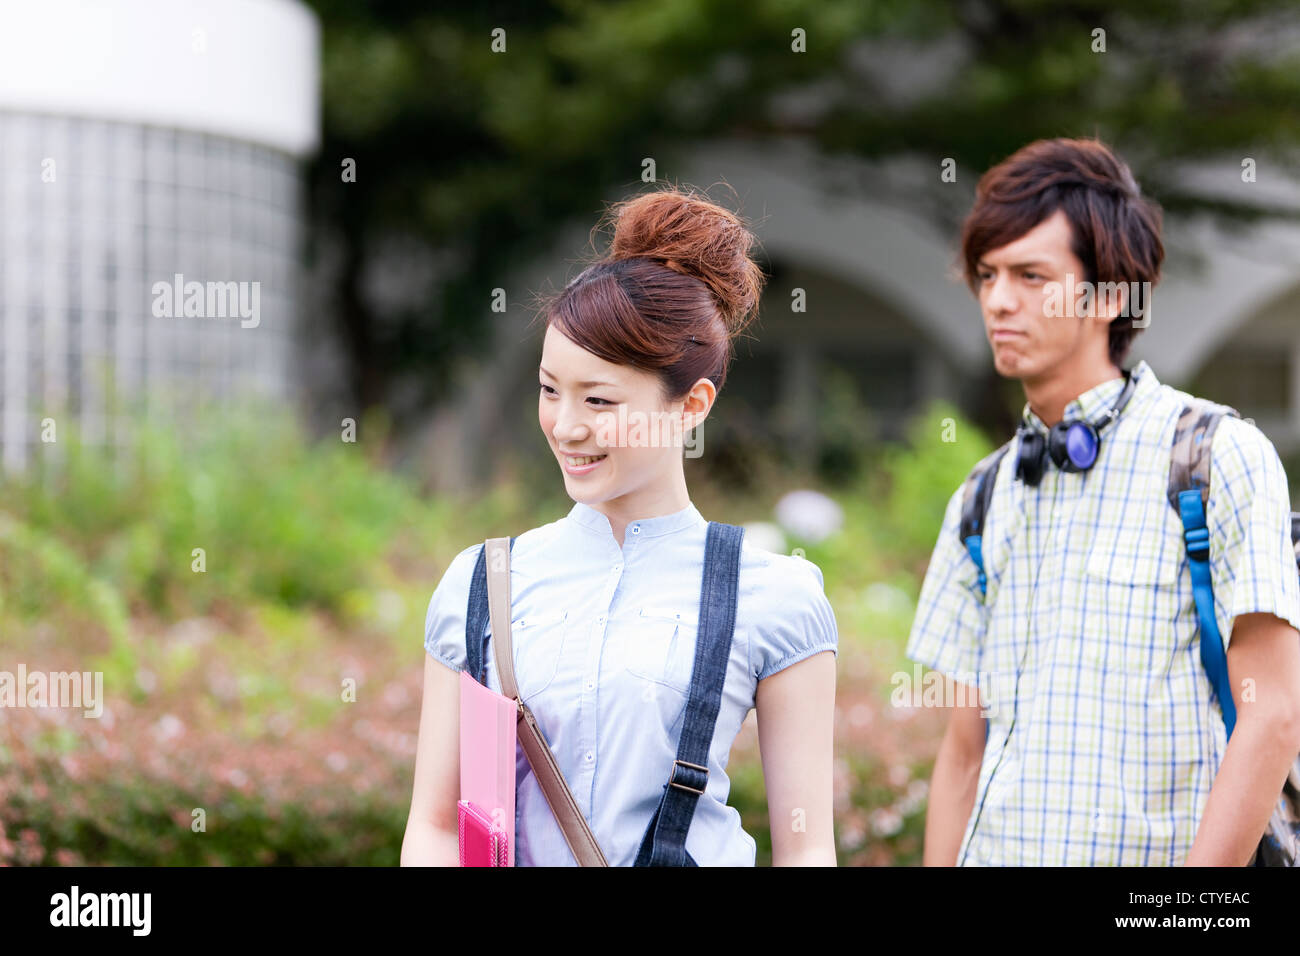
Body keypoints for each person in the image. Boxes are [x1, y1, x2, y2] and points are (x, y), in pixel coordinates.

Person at [402, 186, 839, 866]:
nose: (567, 426)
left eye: (599, 400)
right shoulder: (484, 584)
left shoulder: (774, 596)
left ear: (691, 404)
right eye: (550, 390)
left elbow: (806, 849)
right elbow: (434, 827)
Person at [907, 137, 1300, 866]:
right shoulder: (981, 495)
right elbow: (962, 751)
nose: (997, 299)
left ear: (1111, 294)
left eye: (1031, 275)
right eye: (987, 274)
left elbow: (1273, 716)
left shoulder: (1215, 457)